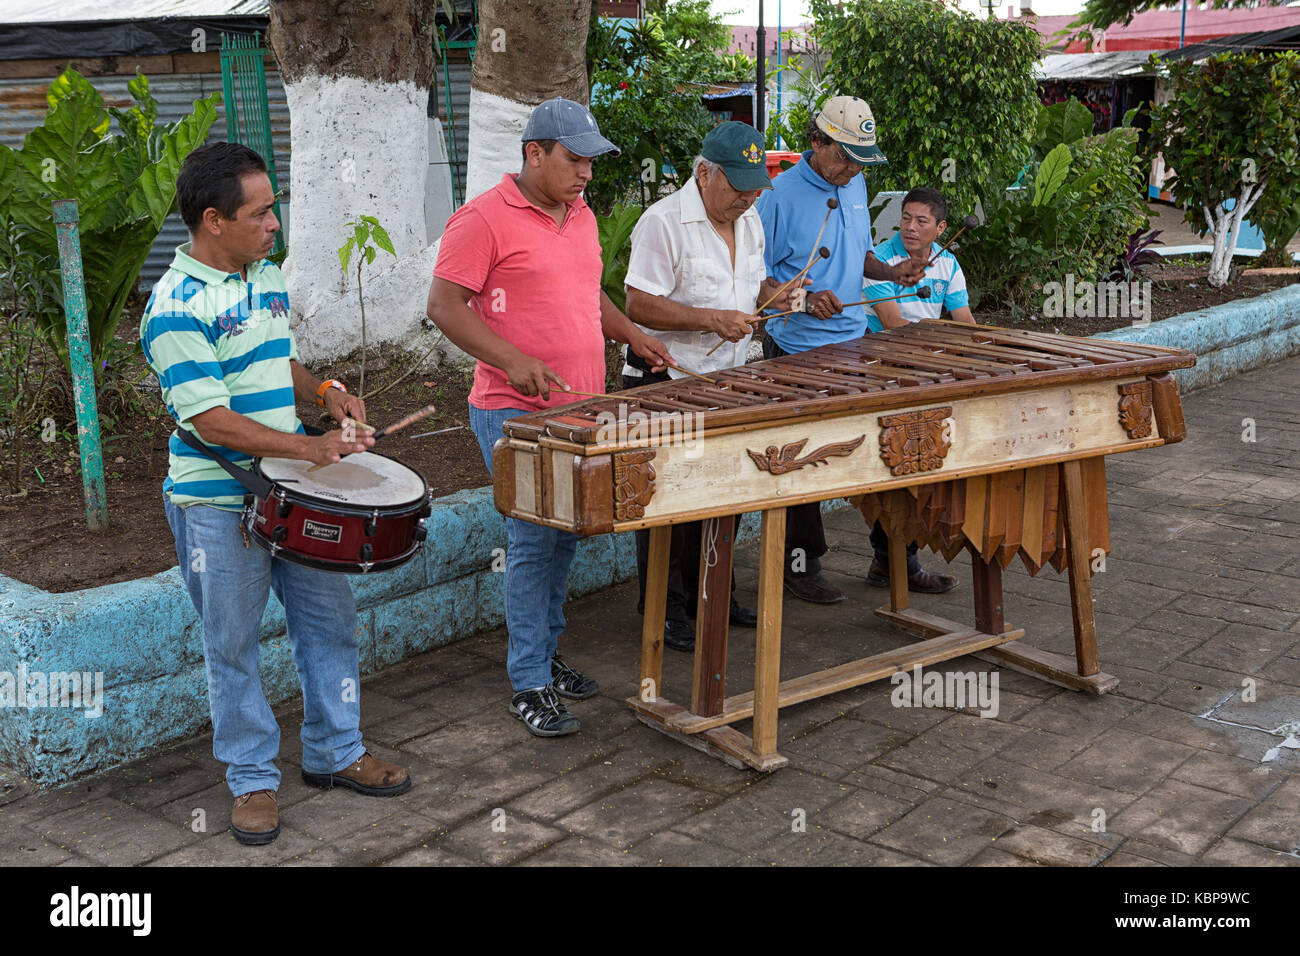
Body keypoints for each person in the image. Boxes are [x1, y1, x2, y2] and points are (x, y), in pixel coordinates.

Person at [140, 142, 410, 848]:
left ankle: (336, 751)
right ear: (212, 220)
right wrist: (312, 447)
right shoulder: (175, 307)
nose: (274, 226)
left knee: (330, 623)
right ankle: (252, 779)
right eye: (261, 214)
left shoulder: (263, 275)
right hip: (218, 503)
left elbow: (273, 357)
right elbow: (211, 419)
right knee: (232, 646)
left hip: (293, 492)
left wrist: (326, 392)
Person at [427, 98, 673, 737]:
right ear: (534, 152)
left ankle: (544, 651)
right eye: (574, 160)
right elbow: (445, 306)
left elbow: (587, 293)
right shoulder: (481, 218)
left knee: (564, 536)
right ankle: (528, 681)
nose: (586, 173)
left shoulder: (582, 215)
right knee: (535, 542)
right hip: (514, 411)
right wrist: (511, 360)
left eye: (591, 162)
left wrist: (633, 335)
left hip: (581, 406)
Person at [755, 96, 955, 603]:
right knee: (798, 460)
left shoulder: (854, 181)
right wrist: (801, 299)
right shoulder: (777, 196)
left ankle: (894, 561)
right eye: (845, 157)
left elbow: (857, 251)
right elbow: (753, 283)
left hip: (853, 345)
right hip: (796, 351)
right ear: (817, 141)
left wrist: (890, 272)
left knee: (887, 448)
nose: (851, 170)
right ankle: (799, 568)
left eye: (860, 161)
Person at [621, 121, 808, 651]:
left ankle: (715, 595)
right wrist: (709, 319)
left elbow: (755, 288)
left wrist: (782, 294)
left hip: (728, 378)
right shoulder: (663, 223)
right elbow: (638, 305)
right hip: (664, 380)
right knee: (668, 503)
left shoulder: (748, 223)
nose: (747, 200)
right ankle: (664, 610)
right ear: (705, 173)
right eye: (738, 188)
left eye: (754, 190)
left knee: (726, 492)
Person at [864, 187, 974, 331]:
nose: (910, 227)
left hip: (926, 343)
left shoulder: (949, 263)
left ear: (940, 228)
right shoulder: (877, 262)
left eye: (921, 222)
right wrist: (938, 338)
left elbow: (964, 318)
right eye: (906, 218)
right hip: (882, 346)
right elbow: (891, 322)